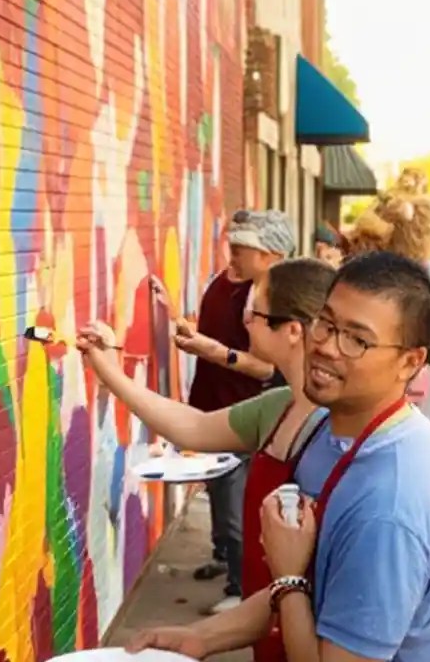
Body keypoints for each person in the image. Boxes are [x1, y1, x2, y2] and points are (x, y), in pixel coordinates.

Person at [127, 251, 430, 662]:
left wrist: (287, 575)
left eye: (356, 339)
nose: (326, 347)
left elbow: (300, 590)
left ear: (410, 362)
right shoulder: (329, 428)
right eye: (326, 323)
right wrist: (203, 637)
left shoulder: (388, 504)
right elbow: (314, 584)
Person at [80, 258, 335, 655]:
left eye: (254, 311)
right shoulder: (279, 406)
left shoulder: (336, 430)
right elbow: (193, 427)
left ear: (293, 331)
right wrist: (109, 369)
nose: (245, 319)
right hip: (269, 623)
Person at [185, 209, 295, 612]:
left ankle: (240, 588)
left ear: (271, 255)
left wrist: (213, 351)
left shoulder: (270, 300)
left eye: (240, 249)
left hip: (244, 413)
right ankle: (226, 560)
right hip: (216, 406)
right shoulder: (231, 283)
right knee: (221, 493)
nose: (231, 256)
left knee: (237, 502)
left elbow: (269, 368)